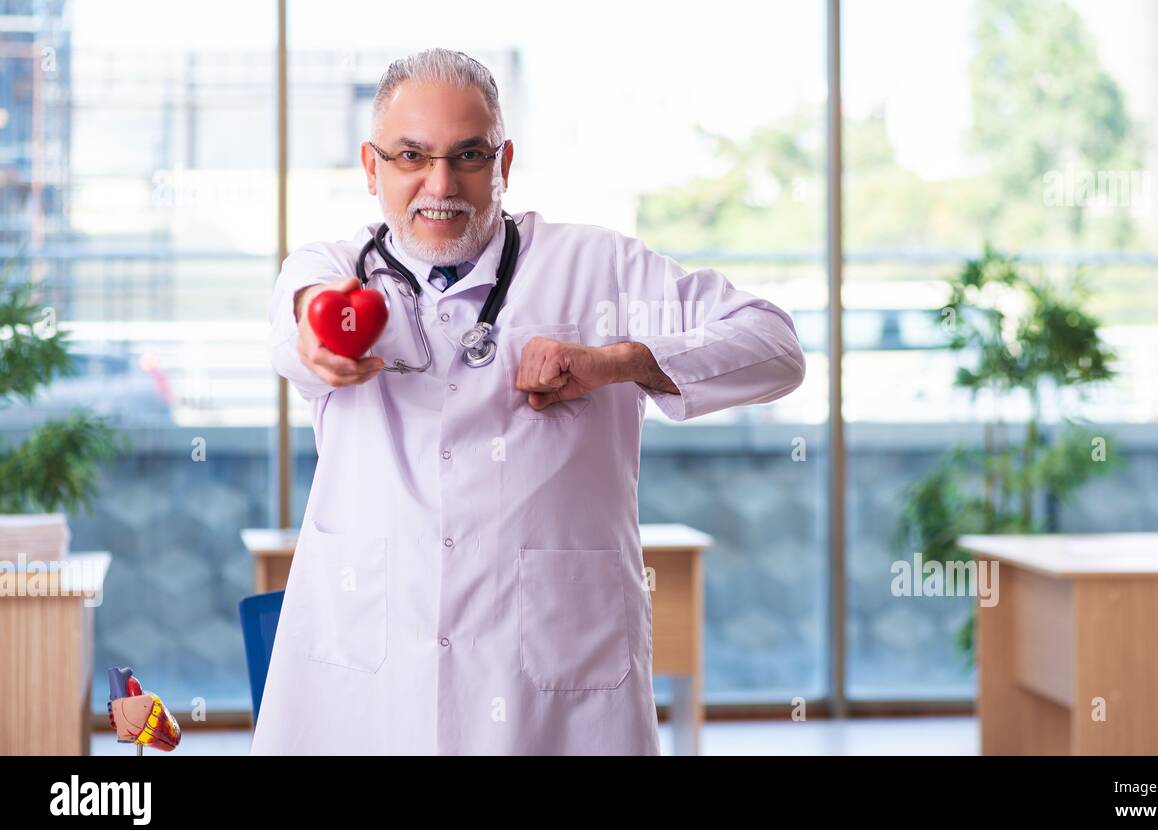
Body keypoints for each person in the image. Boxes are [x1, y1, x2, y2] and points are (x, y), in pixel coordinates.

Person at [250, 48, 805, 755]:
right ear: (371, 167)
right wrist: (317, 331)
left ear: (504, 161)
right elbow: (299, 316)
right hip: (372, 687)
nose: (440, 184)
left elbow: (776, 346)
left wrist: (619, 361)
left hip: (557, 692)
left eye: (468, 155)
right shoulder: (338, 274)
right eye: (412, 155)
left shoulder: (596, 267)